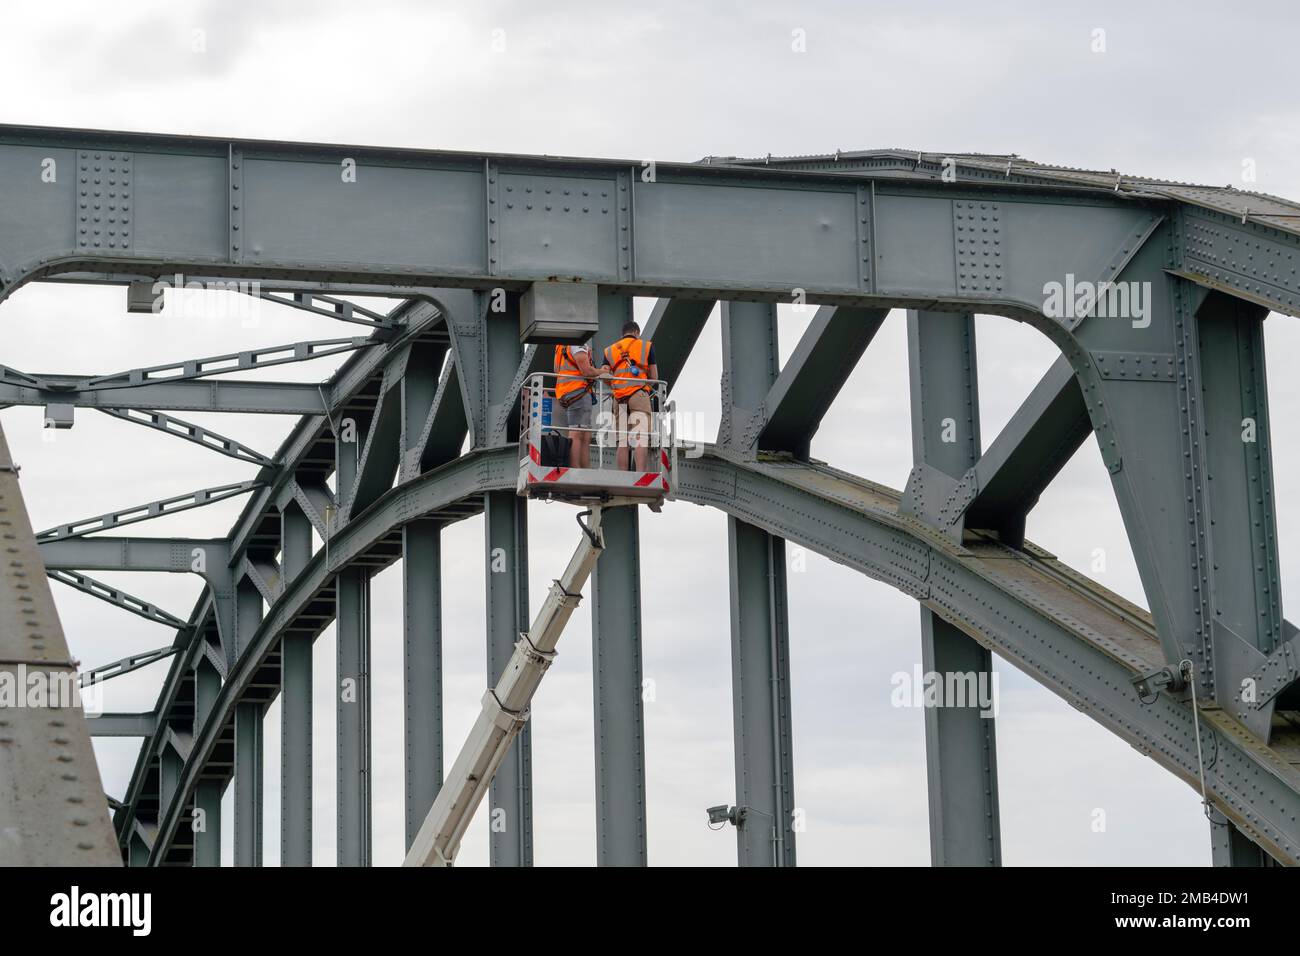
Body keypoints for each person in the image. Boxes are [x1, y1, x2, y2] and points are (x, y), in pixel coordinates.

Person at [604, 320, 658, 471]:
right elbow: (654, 377)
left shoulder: (609, 350)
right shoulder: (646, 346)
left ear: (623, 334)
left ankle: (623, 475)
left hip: (619, 397)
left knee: (622, 441)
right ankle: (640, 474)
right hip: (638, 394)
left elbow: (604, 375)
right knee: (640, 437)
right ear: (636, 332)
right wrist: (644, 388)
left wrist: (615, 387)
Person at [552, 338, 606, 468]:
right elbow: (587, 371)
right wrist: (603, 372)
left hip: (566, 392)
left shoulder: (561, 346)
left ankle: (585, 469)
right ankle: (575, 469)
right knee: (577, 432)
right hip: (578, 392)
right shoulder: (577, 344)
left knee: (585, 433)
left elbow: (556, 370)